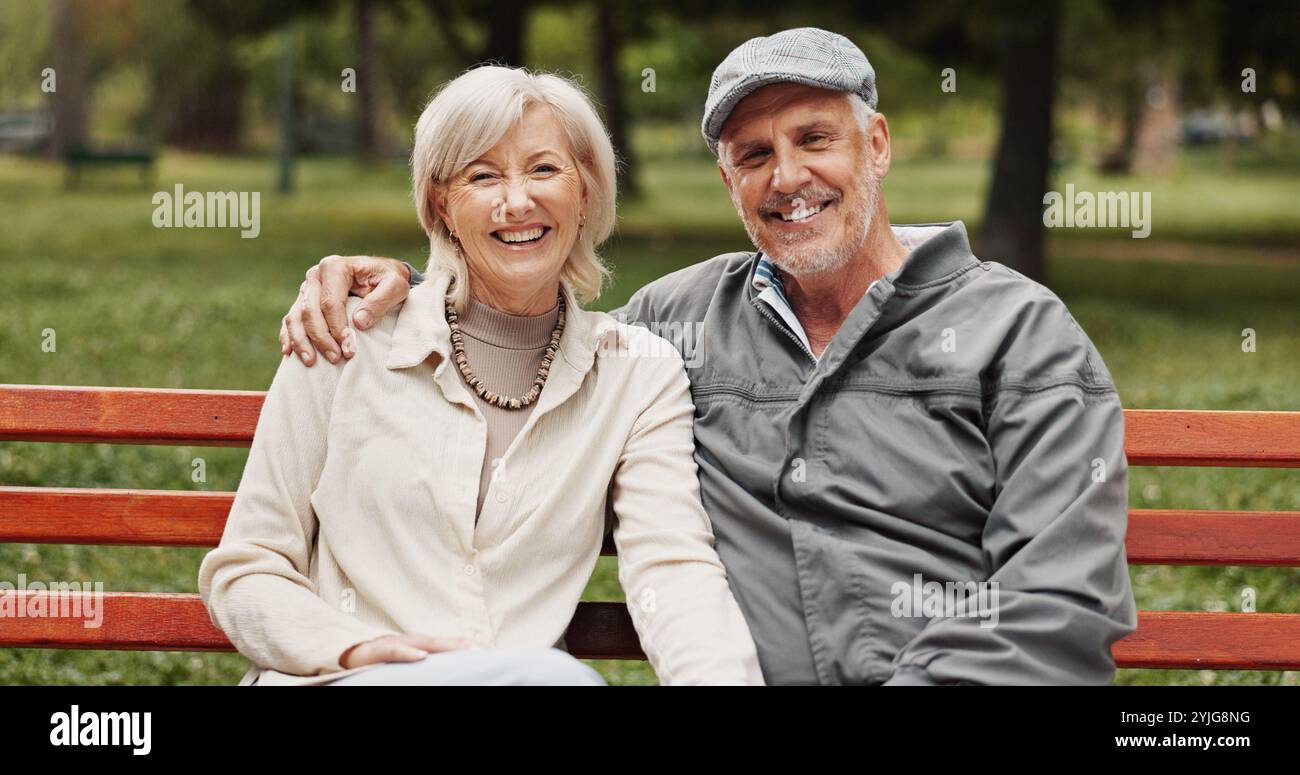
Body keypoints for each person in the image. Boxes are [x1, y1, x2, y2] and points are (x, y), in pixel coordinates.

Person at [279, 28, 1138, 685]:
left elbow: (1058, 601)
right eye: (754, 156)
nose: (787, 177)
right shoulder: (672, 325)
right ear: (729, 182)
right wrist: (405, 279)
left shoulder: (1019, 333)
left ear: (876, 145)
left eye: (815, 139)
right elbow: (519, 328)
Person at [197, 64, 765, 686]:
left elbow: (673, 569)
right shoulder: (346, 336)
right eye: (482, 175)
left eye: (544, 169)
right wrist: (354, 652)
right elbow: (248, 567)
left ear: (586, 191)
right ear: (442, 204)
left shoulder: (638, 378)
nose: (517, 200)